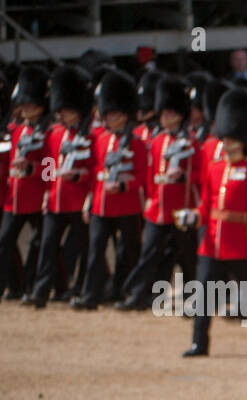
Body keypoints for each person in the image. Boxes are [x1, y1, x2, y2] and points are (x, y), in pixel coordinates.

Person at [179, 88, 247, 356]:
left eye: (233, 139)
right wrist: (193, 216)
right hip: (212, 243)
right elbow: (207, 205)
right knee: (204, 294)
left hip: (239, 243)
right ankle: (200, 343)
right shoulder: (215, 169)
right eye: (226, 138)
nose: (227, 143)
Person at [117, 74, 200, 312]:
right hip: (158, 207)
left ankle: (197, 299)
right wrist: (150, 198)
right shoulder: (156, 141)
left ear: (180, 115)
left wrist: (183, 178)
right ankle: (137, 294)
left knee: (188, 257)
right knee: (149, 253)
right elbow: (149, 173)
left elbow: (200, 175)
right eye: (163, 113)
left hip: (182, 207)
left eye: (170, 113)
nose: (164, 118)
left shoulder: (191, 143)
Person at [74, 69, 146, 311]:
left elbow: (142, 175)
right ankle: (90, 295)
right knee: (95, 250)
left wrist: (124, 185)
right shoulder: (99, 139)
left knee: (130, 252)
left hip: (127, 204)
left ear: (124, 115)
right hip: (100, 205)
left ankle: (131, 293)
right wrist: (88, 201)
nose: (108, 118)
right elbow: (94, 173)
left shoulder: (136, 142)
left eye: (113, 113)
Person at [27, 67, 92, 310]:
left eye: (66, 109)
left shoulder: (89, 135)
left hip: (78, 200)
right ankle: (41, 291)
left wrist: (78, 177)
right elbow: (47, 161)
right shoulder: (54, 133)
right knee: (47, 245)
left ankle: (82, 290)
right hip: (55, 199)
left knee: (86, 249)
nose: (62, 114)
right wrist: (46, 193)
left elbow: (93, 169)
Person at [0, 66, 50, 301]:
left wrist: (33, 170)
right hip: (15, 196)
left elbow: (49, 165)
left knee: (43, 244)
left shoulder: (48, 132)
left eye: (31, 105)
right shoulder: (18, 131)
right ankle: (14, 286)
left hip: (37, 195)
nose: (27, 109)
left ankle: (42, 285)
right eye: (25, 105)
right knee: (4, 241)